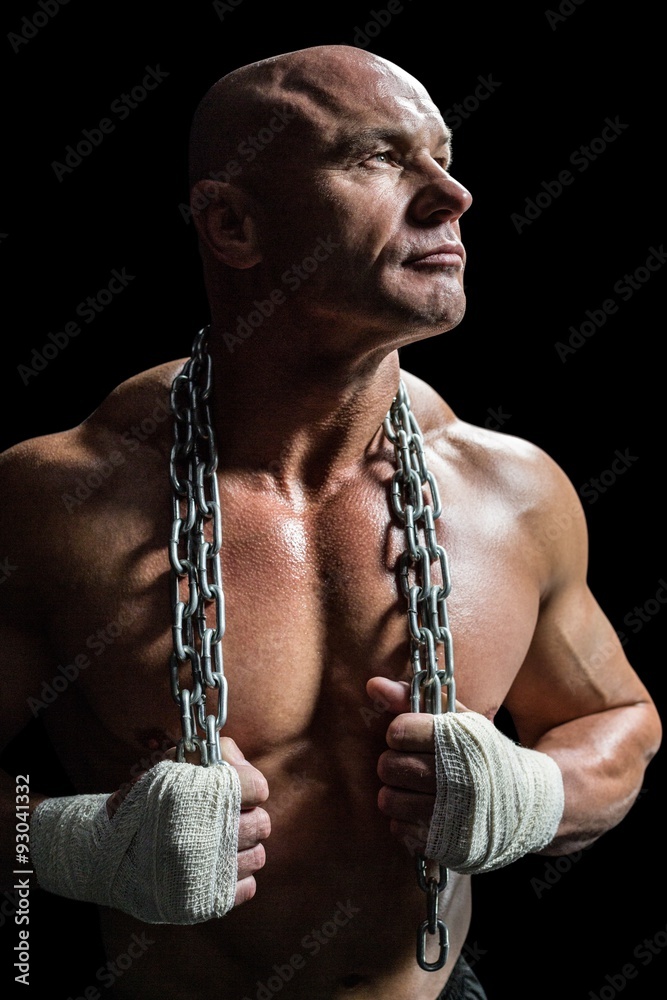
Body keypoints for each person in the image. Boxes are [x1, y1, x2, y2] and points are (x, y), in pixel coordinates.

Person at [0, 44, 661, 1000]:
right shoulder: (56, 500)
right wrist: (69, 850)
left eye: (442, 154)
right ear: (232, 223)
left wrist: (537, 794)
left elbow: (618, 719)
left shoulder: (511, 491)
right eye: (377, 159)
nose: (452, 195)